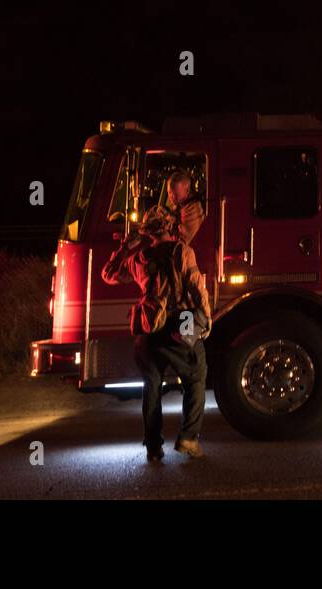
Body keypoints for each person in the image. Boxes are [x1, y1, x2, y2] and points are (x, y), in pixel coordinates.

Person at [102, 180, 212, 462]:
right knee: (196, 376)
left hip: (148, 325)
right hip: (181, 319)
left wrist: (125, 248)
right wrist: (206, 321)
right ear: (169, 226)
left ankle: (153, 446)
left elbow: (108, 274)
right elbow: (196, 289)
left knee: (152, 387)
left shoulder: (137, 258)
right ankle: (188, 439)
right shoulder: (182, 252)